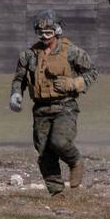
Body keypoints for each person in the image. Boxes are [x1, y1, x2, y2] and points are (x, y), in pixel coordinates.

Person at [9, 10, 98, 195]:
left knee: (59, 142)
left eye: (48, 32)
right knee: (44, 152)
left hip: (65, 106)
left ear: (57, 31)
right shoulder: (28, 55)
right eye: (40, 33)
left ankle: (75, 161)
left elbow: (92, 72)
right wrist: (16, 95)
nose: (44, 36)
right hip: (40, 109)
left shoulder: (71, 51)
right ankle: (57, 193)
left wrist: (74, 83)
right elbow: (19, 79)